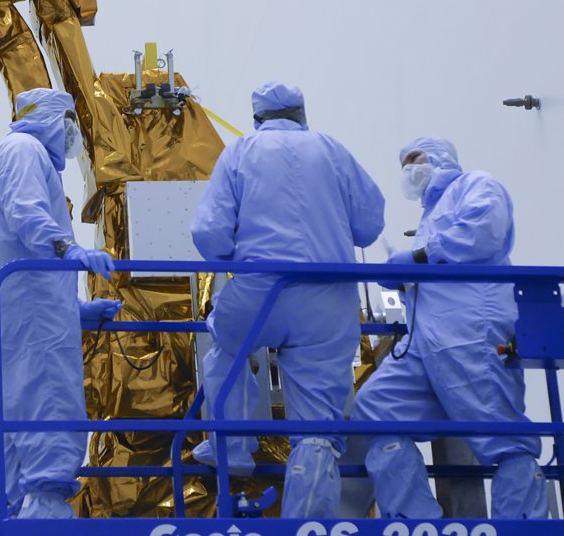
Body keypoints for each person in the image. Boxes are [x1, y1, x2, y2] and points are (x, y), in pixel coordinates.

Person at [190, 81, 385, 518]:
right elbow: (369, 225)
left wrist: (232, 260)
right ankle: (308, 525)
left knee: (226, 342)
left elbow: (208, 231)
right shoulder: (332, 150)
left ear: (257, 116)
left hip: (260, 291)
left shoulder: (241, 152)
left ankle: (233, 444)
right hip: (328, 296)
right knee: (316, 430)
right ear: (301, 111)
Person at [352, 137, 547, 519]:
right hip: (426, 344)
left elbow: (483, 231)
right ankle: (416, 518)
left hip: (473, 331)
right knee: (376, 409)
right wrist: (404, 279)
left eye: (414, 158)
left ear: (439, 156)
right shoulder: (429, 217)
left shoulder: (475, 185)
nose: (408, 168)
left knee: (501, 433)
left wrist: (419, 259)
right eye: (403, 163)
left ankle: (519, 523)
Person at [0, 87, 121, 519]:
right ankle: (44, 510)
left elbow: (28, 271)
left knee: (22, 411)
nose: (73, 133)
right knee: (46, 403)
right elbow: (27, 215)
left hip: (30, 314)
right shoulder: (23, 150)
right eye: (70, 122)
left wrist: (76, 312)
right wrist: (68, 249)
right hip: (33, 321)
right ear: (55, 119)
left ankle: (26, 507)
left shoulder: (23, 154)